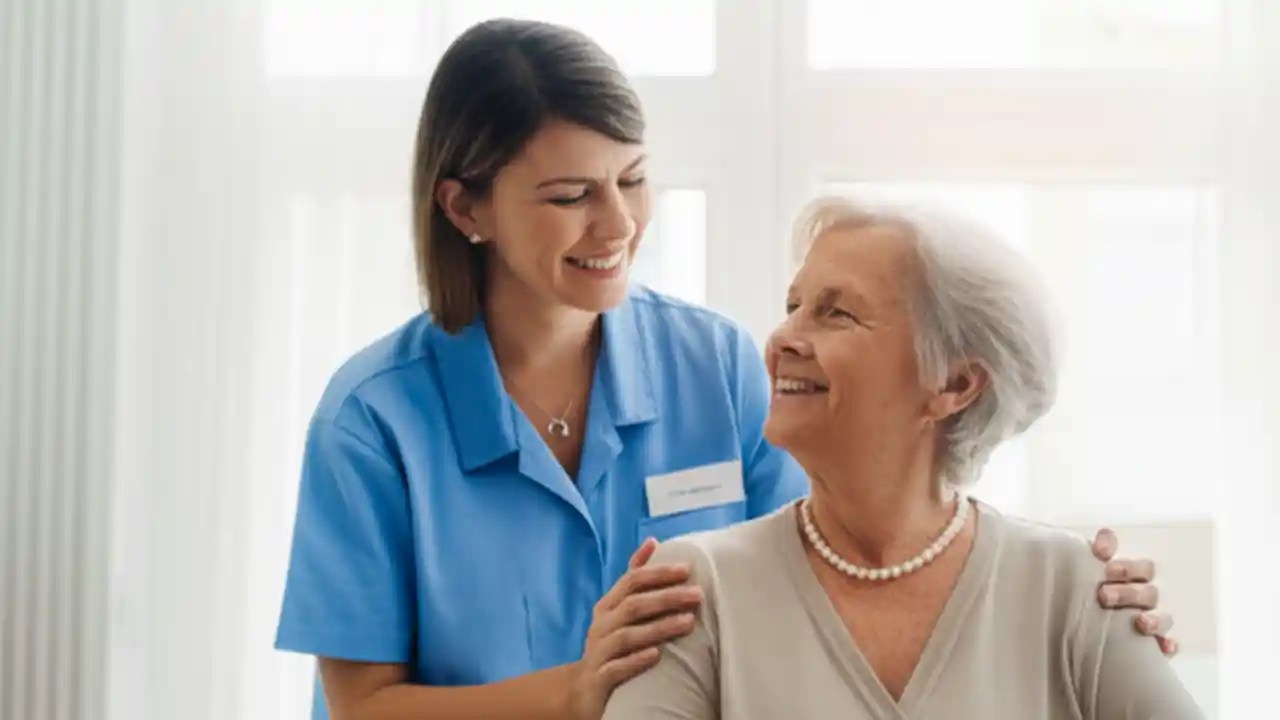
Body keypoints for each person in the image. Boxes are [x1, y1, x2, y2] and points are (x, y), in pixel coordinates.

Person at [274, 19, 1177, 720]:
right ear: (464, 205)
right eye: (569, 196)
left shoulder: (713, 365)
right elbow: (364, 706)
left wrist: (1066, 591)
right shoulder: (374, 421)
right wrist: (579, 690)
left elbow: (839, 558)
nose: (618, 224)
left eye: (631, 179)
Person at [601, 196, 1204, 719]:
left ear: (955, 384)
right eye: (794, 306)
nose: (784, 338)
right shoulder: (692, 591)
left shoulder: (1073, 588)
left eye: (835, 312)